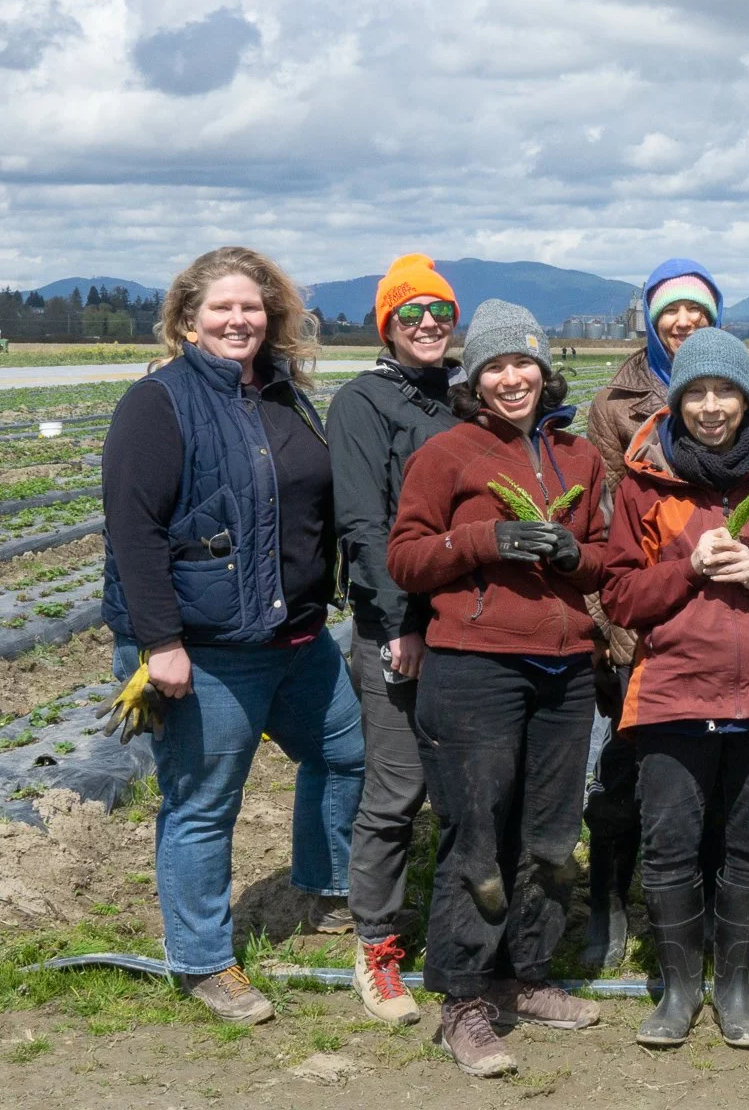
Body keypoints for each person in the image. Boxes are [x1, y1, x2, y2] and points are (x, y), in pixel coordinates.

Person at [100, 246, 365, 1024]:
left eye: (252, 307)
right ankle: (203, 960)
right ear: (187, 319)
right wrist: (160, 645)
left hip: (296, 637)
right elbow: (134, 532)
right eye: (222, 308)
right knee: (203, 802)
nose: (239, 320)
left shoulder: (284, 396)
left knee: (345, 753)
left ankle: (323, 890)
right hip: (206, 649)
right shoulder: (158, 403)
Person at [600, 328, 749, 1049]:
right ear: (677, 400)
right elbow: (619, 596)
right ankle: (678, 990)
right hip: (674, 697)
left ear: (748, 399)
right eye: (697, 392)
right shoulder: (646, 486)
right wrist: (688, 568)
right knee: (671, 846)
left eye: (725, 392)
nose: (711, 406)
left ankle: (735, 988)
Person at [388, 299, 608, 1077]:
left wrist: (571, 553)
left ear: (546, 371)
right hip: (474, 665)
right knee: (475, 840)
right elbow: (406, 558)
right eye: (494, 367)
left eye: (524, 364)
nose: (512, 378)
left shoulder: (580, 457)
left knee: (550, 838)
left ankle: (527, 976)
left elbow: (608, 561)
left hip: (563, 669)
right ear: (475, 381)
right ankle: (463, 1002)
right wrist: (484, 539)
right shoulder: (447, 454)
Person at [580, 258, 749, 970]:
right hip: (644, 624)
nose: (684, 320)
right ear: (651, 319)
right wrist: (611, 630)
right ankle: (609, 901)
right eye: (671, 310)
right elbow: (606, 528)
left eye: (698, 309)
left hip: (729, 623)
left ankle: (708, 923)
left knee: (714, 779)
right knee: (627, 774)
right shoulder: (616, 404)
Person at [328, 253, 462, 1025]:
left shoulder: (463, 401)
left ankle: (457, 940)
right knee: (398, 789)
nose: (426, 323)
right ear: (387, 323)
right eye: (409, 313)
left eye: (438, 311)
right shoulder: (362, 403)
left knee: (463, 793)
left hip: (466, 631)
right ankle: (376, 947)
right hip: (399, 629)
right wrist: (397, 621)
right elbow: (364, 525)